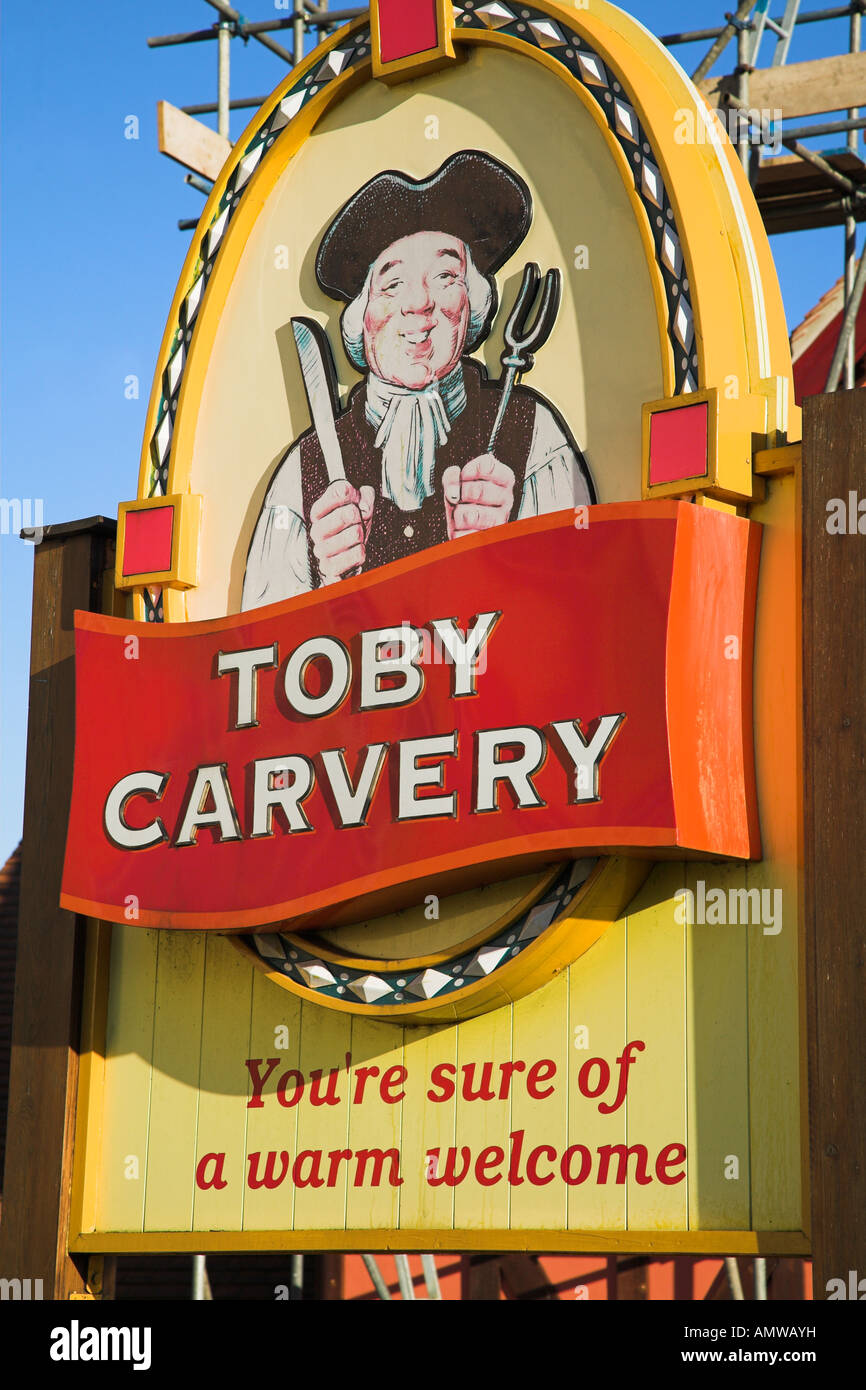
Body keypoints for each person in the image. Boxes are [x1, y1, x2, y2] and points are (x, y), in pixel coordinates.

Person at [242, 150, 595, 610]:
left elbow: (590, 607)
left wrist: (519, 551)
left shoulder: (531, 437)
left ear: (472, 303)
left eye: (446, 276)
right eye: (392, 284)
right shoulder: (304, 474)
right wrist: (322, 579)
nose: (420, 303)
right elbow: (253, 644)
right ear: (360, 319)